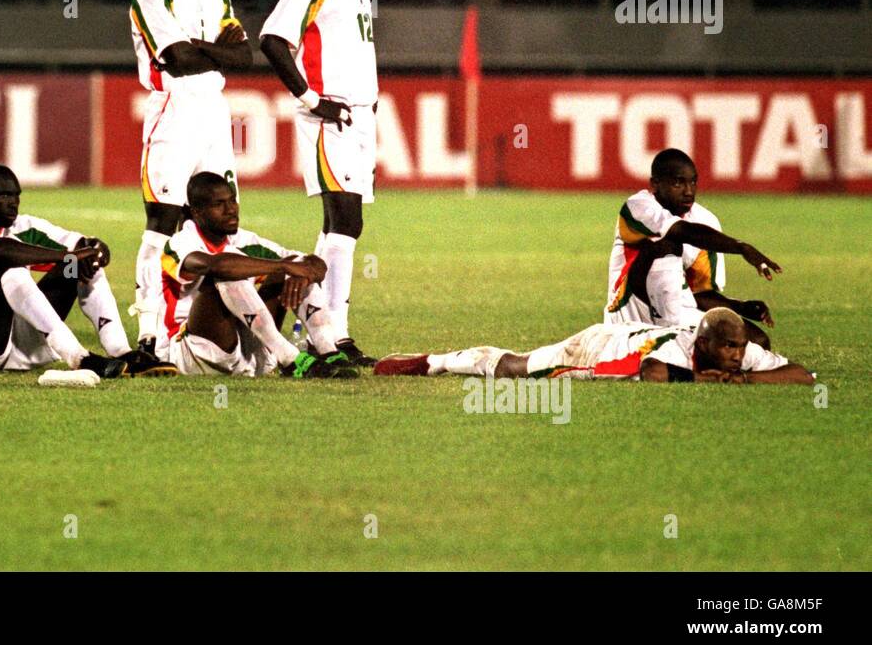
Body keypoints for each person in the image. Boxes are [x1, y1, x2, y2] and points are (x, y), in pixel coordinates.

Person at [259, 0, 383, 367]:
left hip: (359, 116)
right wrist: (311, 99)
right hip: (329, 116)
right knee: (346, 220)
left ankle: (317, 327)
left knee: (340, 225)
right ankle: (334, 336)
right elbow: (273, 38)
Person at [127, 0, 252, 357]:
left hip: (213, 113)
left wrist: (202, 50)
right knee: (163, 219)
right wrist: (215, 50)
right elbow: (174, 60)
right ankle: (148, 331)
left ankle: (208, 319)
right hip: (173, 110)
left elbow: (245, 57)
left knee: (219, 219)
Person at [0, 163, 171, 376]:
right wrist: (66, 256)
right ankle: (80, 358)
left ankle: (121, 351)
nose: (13, 204)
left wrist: (91, 251)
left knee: (80, 265)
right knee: (9, 266)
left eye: (16, 196)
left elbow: (87, 247)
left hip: (15, 347)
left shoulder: (20, 226)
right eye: (4, 196)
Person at [159, 172, 358, 378]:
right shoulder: (181, 242)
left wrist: (300, 273)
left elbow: (316, 266)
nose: (231, 210)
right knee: (228, 270)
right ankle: (289, 358)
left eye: (232, 201)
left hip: (249, 351)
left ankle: (328, 351)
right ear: (197, 212)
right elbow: (215, 265)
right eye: (219, 204)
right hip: (192, 353)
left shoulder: (244, 240)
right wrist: (282, 267)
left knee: (297, 266)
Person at [606, 148, 777, 346]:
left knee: (756, 341)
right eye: (678, 183)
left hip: (679, 313)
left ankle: (683, 354)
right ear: (656, 184)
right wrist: (741, 247)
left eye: (693, 182)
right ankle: (671, 342)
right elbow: (681, 231)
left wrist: (739, 307)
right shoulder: (638, 207)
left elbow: (699, 294)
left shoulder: (707, 222)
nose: (688, 191)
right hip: (629, 319)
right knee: (667, 244)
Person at [374, 308, 813, 385]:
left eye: (739, 349)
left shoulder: (737, 348)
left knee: (516, 368)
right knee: (515, 368)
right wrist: (704, 379)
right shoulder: (682, 349)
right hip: (597, 350)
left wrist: (748, 380)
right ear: (704, 342)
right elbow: (653, 375)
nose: (736, 356)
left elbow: (801, 374)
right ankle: (436, 362)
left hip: (627, 336)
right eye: (729, 350)